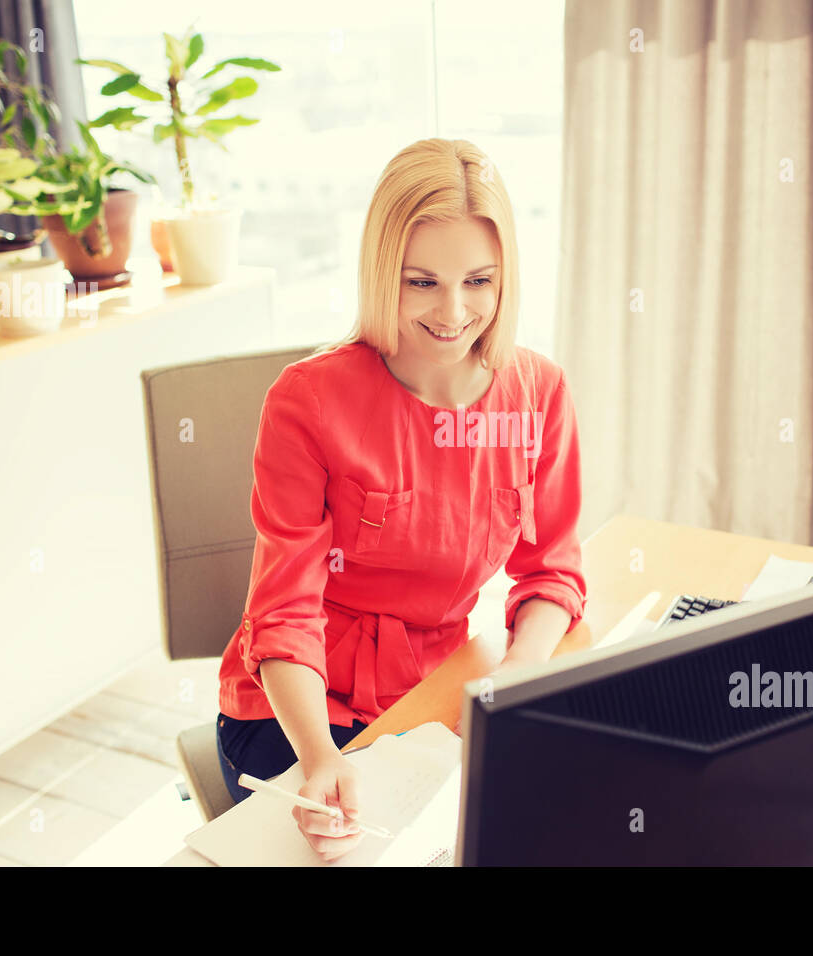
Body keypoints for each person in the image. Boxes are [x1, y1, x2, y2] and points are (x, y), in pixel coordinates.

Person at [214, 138, 587, 862]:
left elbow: (554, 572)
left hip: (434, 694)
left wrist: (519, 669)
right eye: (423, 282)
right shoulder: (308, 401)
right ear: (386, 273)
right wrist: (321, 758)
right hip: (296, 713)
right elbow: (284, 615)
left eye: (479, 280)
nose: (454, 312)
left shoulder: (539, 392)